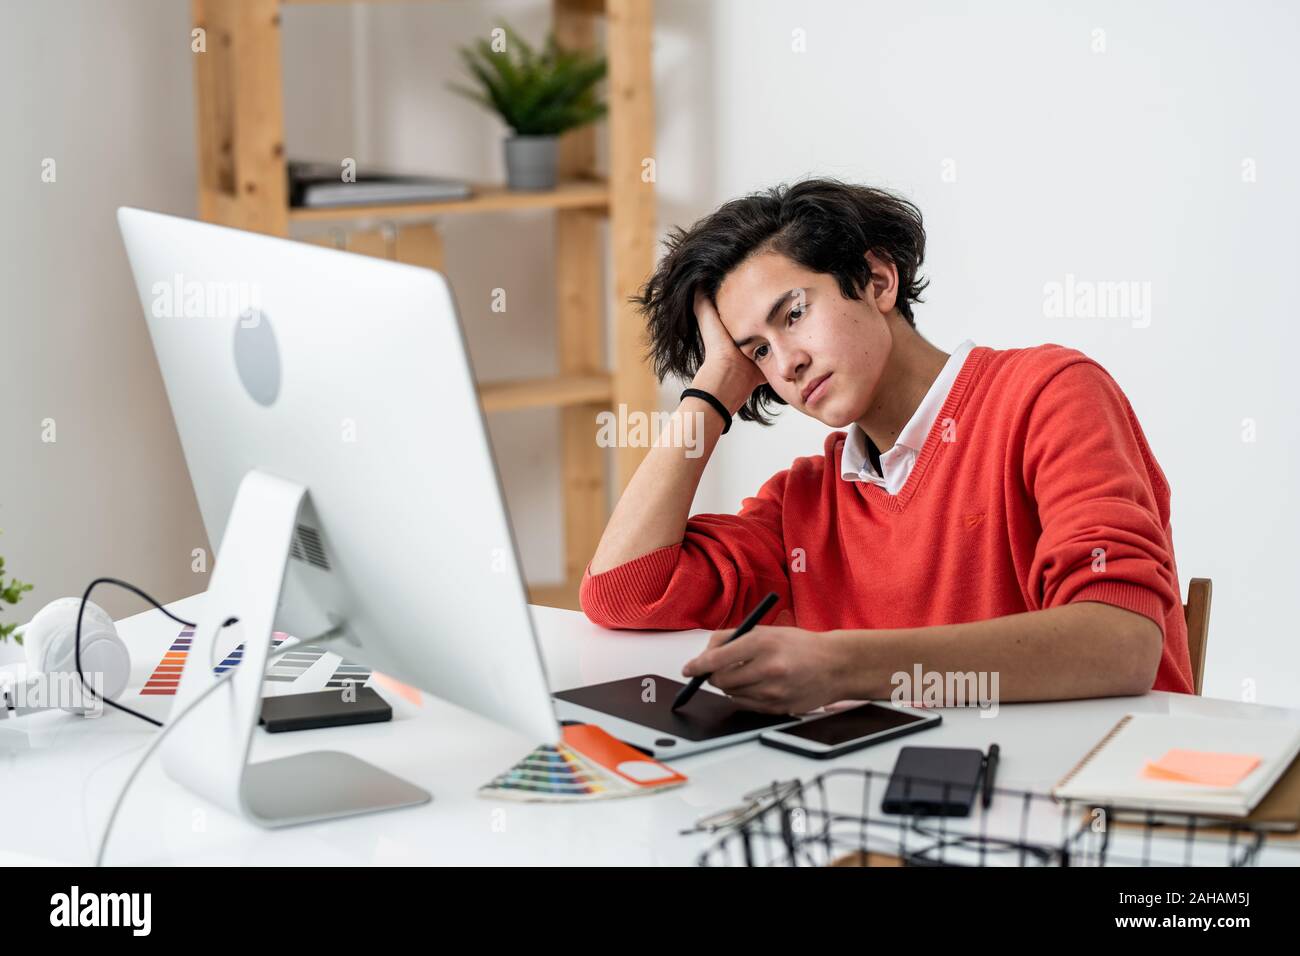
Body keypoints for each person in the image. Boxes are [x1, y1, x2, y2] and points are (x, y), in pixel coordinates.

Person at [579, 178, 1193, 714]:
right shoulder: (804, 504)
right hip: (901, 797)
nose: (785, 364)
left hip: (1087, 791)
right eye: (757, 351)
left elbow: (1122, 643)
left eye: (793, 315)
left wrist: (843, 666)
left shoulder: (1049, 395)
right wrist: (712, 390)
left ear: (877, 281)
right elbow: (622, 591)